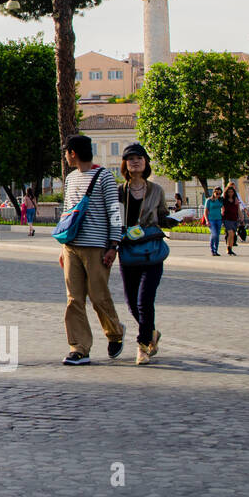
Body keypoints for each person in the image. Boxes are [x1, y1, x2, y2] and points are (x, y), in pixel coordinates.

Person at [57, 134, 126, 366]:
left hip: (97, 247)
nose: (65, 156)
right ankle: (79, 347)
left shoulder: (104, 176)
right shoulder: (70, 179)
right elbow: (67, 213)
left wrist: (114, 245)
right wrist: (62, 247)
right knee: (73, 298)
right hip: (71, 246)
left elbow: (114, 212)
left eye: (66, 152)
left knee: (98, 296)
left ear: (73, 153)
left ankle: (115, 331)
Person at [117, 143, 178, 366]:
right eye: (130, 158)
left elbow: (162, 217)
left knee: (145, 300)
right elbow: (115, 221)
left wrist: (177, 219)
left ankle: (143, 347)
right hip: (128, 251)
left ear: (146, 162)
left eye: (139, 158)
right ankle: (152, 332)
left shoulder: (156, 190)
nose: (135, 161)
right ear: (125, 164)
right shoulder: (119, 192)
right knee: (131, 301)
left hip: (152, 252)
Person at [203, 186, 225, 257]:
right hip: (211, 219)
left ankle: (216, 250)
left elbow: (223, 207)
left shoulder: (220, 200)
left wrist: (222, 212)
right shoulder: (209, 200)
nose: (218, 195)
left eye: (219, 193)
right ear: (214, 193)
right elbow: (205, 211)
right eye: (217, 193)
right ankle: (212, 249)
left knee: (217, 235)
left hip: (218, 219)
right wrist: (207, 220)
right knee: (214, 234)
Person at [221, 183, 243, 256]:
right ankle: (228, 248)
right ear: (226, 192)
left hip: (234, 218)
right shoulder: (224, 200)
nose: (230, 193)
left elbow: (238, 210)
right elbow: (220, 208)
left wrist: (241, 218)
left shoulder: (236, 200)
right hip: (227, 218)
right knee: (230, 233)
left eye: (232, 192)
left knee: (233, 234)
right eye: (229, 192)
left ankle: (230, 248)